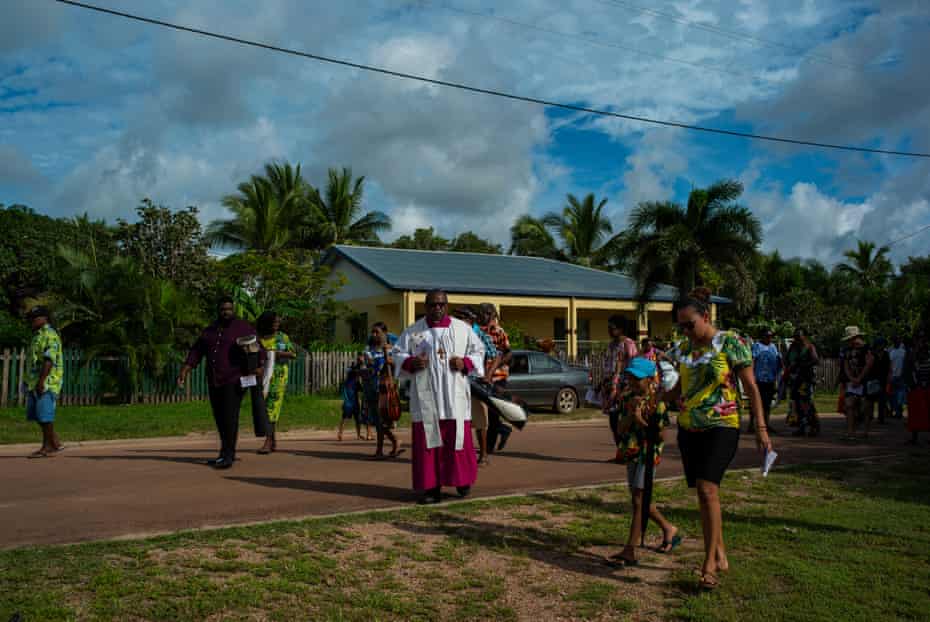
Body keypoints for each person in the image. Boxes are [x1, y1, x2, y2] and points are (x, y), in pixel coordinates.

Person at [667, 288, 772, 590]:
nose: (686, 331)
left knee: (707, 489)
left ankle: (708, 564)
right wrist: (659, 399)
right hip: (689, 428)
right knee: (703, 494)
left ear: (706, 316)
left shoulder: (731, 342)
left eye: (690, 324)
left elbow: (751, 388)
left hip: (722, 425)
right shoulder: (684, 349)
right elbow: (679, 389)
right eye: (681, 326)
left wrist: (761, 428)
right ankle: (720, 553)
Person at [394, 290, 484, 504]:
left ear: (446, 305)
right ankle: (431, 489)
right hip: (428, 399)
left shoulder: (462, 329)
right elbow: (397, 354)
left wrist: (466, 363)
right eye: (433, 305)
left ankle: (462, 481)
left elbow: (479, 351)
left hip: (454, 398)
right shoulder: (414, 331)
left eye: (441, 304)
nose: (437, 308)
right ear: (425, 306)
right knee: (429, 444)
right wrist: (410, 363)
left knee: (457, 442)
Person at [177, 296, 265, 470]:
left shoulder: (243, 328)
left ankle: (229, 455)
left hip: (235, 380)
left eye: (229, 309)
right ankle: (223, 453)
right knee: (219, 418)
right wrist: (185, 370)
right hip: (214, 380)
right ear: (218, 310)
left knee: (230, 417)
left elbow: (259, 349)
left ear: (234, 310)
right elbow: (196, 351)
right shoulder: (210, 330)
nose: (226, 312)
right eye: (223, 309)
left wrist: (259, 366)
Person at [608, 357, 680, 567]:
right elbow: (620, 429)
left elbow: (660, 437)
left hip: (647, 455)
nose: (631, 381)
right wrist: (632, 415)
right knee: (640, 500)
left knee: (639, 501)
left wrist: (643, 421)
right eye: (629, 376)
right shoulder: (628, 397)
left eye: (637, 378)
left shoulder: (658, 402)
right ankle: (668, 528)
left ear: (650, 379)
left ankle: (630, 549)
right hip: (631, 452)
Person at [453, 306, 498, 465]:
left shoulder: (480, 335)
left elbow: (496, 356)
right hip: (457, 382)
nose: (456, 321)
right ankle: (460, 456)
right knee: (457, 420)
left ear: (469, 320)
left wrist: (488, 375)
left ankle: (483, 455)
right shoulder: (454, 334)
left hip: (476, 383)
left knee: (480, 421)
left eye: (460, 318)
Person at [23, 306, 64, 459]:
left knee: (44, 414)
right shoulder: (37, 336)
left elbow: (49, 360)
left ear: (44, 318)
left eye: (35, 318)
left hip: (47, 382)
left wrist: (42, 382)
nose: (32, 321)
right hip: (34, 381)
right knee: (36, 414)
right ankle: (54, 442)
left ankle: (47, 447)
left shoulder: (50, 335)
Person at [596, 315, 638, 460]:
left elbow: (633, 367)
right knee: (613, 422)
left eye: (611, 327)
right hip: (611, 389)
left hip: (623, 389)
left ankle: (628, 453)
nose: (609, 330)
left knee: (623, 422)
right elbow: (608, 366)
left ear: (620, 329)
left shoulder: (629, 344)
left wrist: (626, 387)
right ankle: (621, 453)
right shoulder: (611, 345)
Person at [256, 311, 296, 454]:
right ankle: (273, 440)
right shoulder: (258, 338)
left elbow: (292, 354)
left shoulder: (282, 337)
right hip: (262, 376)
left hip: (278, 377)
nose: (277, 325)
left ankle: (268, 441)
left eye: (278, 322)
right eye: (274, 322)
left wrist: (275, 354)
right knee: (263, 407)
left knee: (271, 407)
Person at [479, 303, 513, 453]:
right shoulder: (476, 331)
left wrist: (496, 363)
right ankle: (503, 429)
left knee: (493, 413)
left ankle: (489, 448)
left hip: (498, 378)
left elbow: (508, 353)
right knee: (479, 412)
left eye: (486, 313)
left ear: (493, 315)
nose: (483, 316)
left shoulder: (499, 332)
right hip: (481, 377)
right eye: (481, 313)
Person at [365, 322, 402, 459]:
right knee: (376, 420)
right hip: (372, 387)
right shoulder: (369, 349)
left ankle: (380, 450)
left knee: (382, 420)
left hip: (386, 389)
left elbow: (397, 366)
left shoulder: (394, 349)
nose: (374, 335)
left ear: (385, 333)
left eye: (377, 332)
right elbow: (367, 367)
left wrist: (390, 359)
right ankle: (394, 441)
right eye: (373, 332)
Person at [841, 326, 874, 442]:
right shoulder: (847, 350)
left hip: (865, 381)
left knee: (866, 407)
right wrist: (851, 378)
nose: (849, 341)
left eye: (851, 338)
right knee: (849, 405)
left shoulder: (866, 348)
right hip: (852, 381)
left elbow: (869, 363)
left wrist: (859, 378)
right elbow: (845, 365)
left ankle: (865, 432)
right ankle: (850, 432)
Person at [786, 328, 820, 437]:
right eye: (795, 337)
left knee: (806, 403)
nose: (796, 339)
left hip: (806, 379)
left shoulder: (809, 347)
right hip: (795, 379)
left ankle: (814, 426)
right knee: (796, 404)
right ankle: (801, 427)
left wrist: (802, 365)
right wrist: (790, 369)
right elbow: (787, 360)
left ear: (804, 336)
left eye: (799, 337)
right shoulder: (793, 347)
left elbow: (816, 360)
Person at [750, 329, 781, 435]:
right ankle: (752, 425)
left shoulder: (773, 347)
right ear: (762, 336)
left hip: (770, 379)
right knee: (756, 402)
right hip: (758, 379)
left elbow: (777, 360)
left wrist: (777, 374)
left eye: (771, 336)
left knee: (767, 404)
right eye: (767, 336)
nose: (769, 338)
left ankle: (766, 425)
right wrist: (752, 376)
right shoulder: (757, 346)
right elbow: (752, 360)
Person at [905, 331, 930, 445]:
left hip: (927, 385)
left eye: (923, 338)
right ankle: (915, 438)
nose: (921, 341)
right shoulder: (911, 352)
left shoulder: (927, 350)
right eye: (919, 338)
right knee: (915, 412)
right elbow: (909, 367)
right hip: (915, 386)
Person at [339, 354, 365, 442]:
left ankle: (358, 435)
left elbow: (360, 385)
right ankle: (340, 433)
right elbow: (352, 371)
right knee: (346, 414)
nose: (361, 361)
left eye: (362, 360)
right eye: (360, 360)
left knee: (357, 416)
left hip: (355, 394)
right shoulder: (352, 368)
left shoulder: (360, 370)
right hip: (349, 393)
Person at [870, 337, 891, 425]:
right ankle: (869, 417)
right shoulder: (871, 354)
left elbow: (888, 366)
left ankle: (881, 418)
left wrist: (888, 378)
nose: (882, 346)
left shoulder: (886, 354)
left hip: (883, 379)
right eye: (881, 344)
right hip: (872, 379)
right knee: (870, 400)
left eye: (883, 344)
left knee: (882, 400)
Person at [888, 335, 908, 420]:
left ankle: (898, 411)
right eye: (895, 341)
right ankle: (896, 411)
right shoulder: (891, 351)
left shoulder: (903, 352)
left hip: (901, 376)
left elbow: (905, 364)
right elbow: (889, 365)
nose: (896, 342)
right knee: (893, 395)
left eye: (897, 341)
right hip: (893, 376)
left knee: (899, 395)